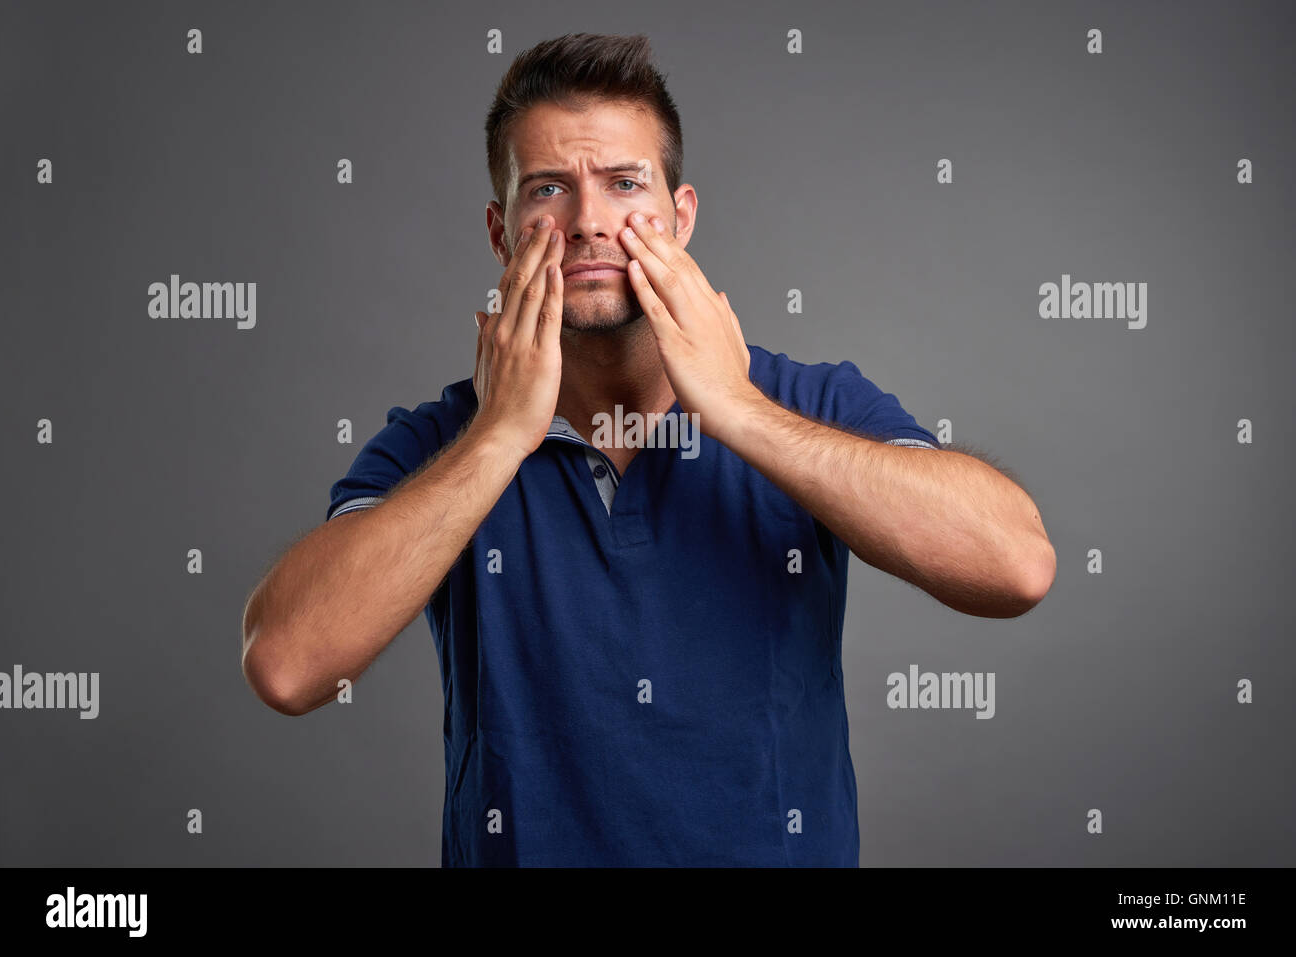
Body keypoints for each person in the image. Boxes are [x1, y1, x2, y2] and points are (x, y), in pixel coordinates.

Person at [241, 32, 1056, 866]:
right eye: (549, 190)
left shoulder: (807, 403)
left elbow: (1017, 563)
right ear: (501, 232)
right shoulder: (441, 441)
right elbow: (286, 663)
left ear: (682, 215)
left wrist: (739, 410)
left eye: (625, 184)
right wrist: (498, 438)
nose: (589, 222)